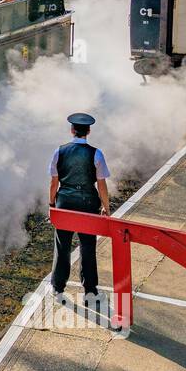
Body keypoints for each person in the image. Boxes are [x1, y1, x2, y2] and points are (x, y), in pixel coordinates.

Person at [48, 112, 111, 305]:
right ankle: (90, 293)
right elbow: (101, 185)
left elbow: (54, 182)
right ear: (88, 131)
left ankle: (58, 289)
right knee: (88, 247)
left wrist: (52, 203)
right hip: (87, 204)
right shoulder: (96, 153)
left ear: (72, 130)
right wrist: (105, 207)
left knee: (62, 247)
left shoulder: (59, 152)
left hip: (65, 203)